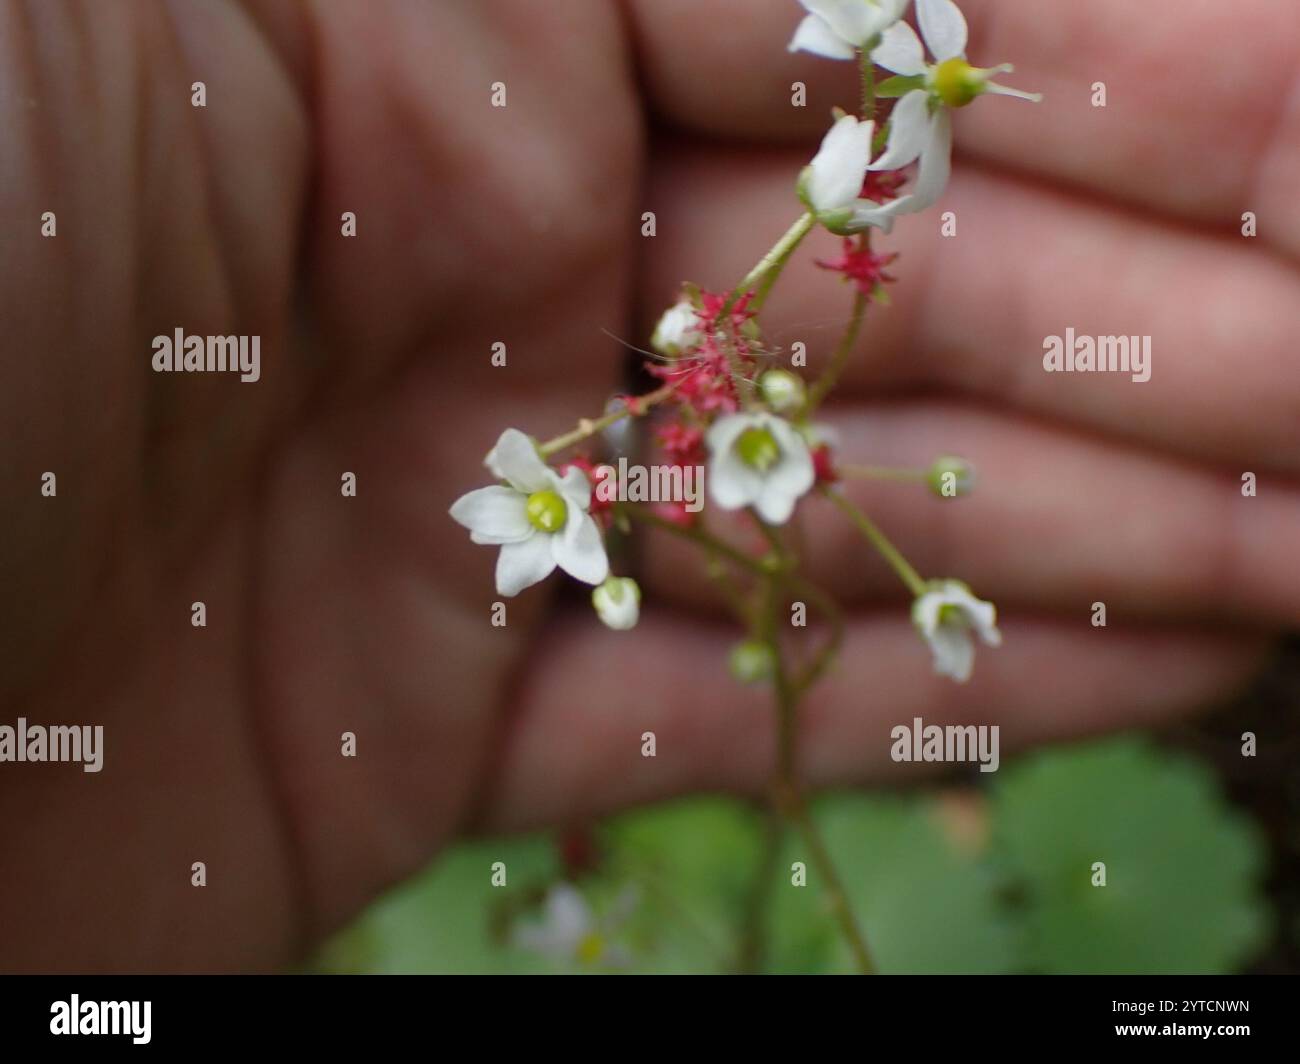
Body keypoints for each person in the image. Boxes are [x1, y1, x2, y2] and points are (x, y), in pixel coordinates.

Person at [1, 0, 1296, 971]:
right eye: (933, 72)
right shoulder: (852, 153)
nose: (945, 74)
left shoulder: (900, 132)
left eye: (941, 73)